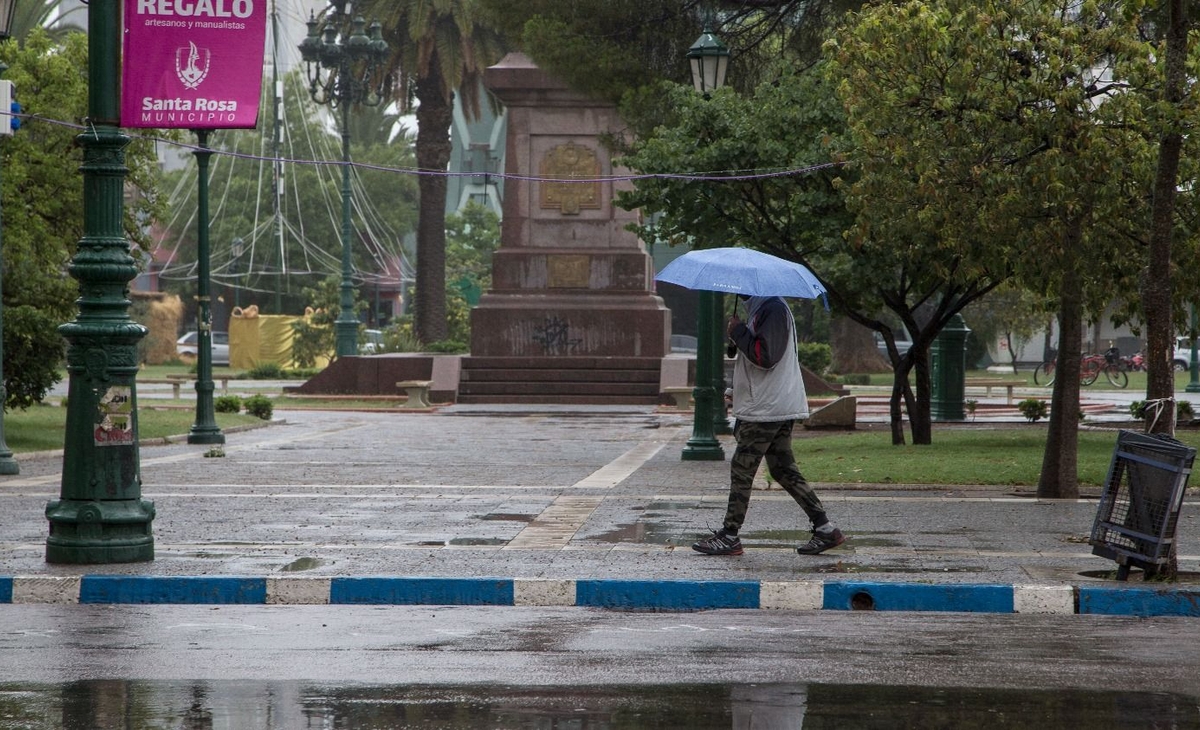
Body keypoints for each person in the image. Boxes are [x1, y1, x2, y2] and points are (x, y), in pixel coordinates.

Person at [692, 294, 845, 557]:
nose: (736, 291)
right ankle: (825, 528)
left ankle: (729, 535)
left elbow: (766, 356)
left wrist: (738, 331)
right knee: (783, 469)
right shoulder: (762, 309)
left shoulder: (772, 309)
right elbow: (759, 364)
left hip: (765, 410)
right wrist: (737, 389)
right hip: (770, 404)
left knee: (742, 468)